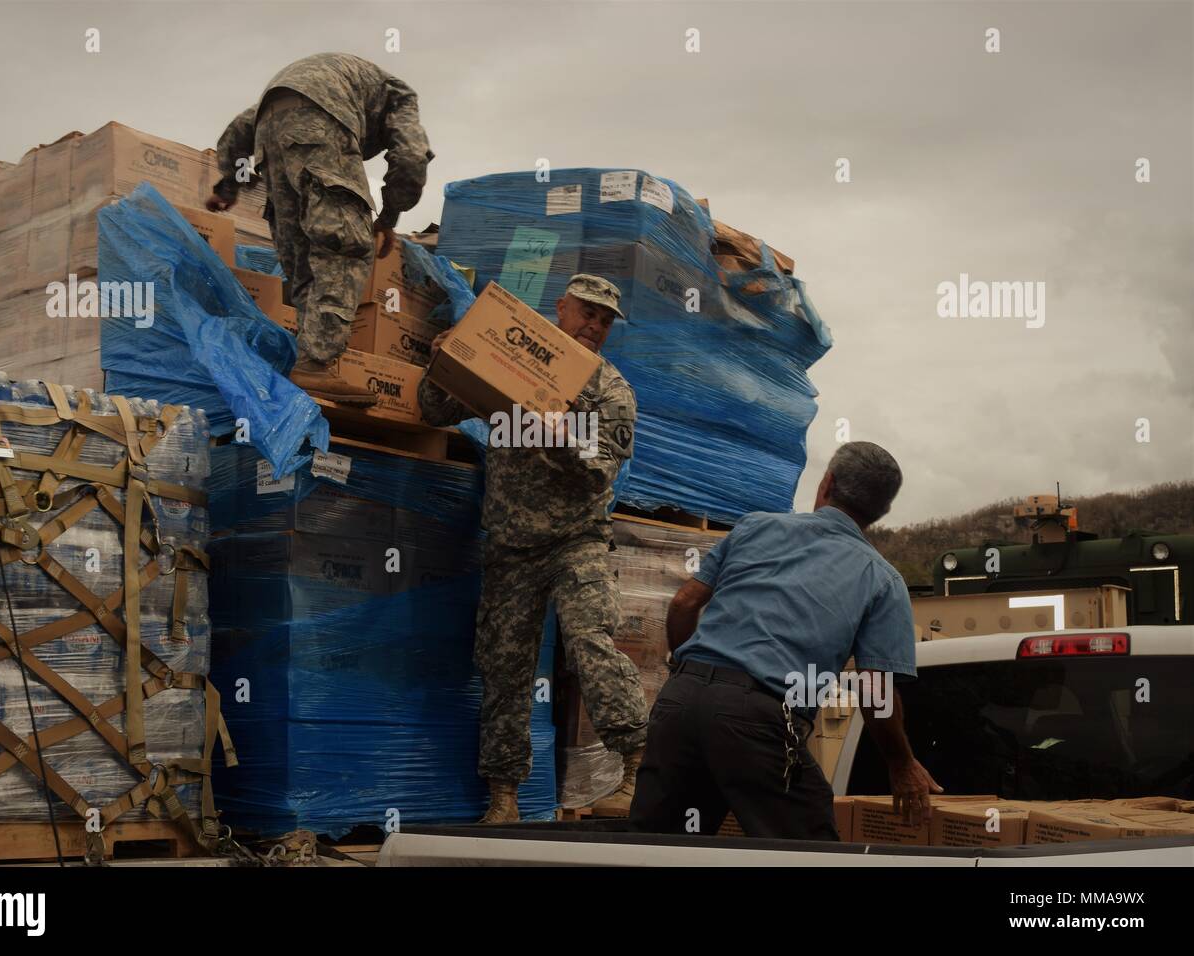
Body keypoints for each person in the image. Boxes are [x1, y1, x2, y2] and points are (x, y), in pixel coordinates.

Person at [418, 275, 648, 822]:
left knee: (590, 640)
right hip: (511, 546)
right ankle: (504, 798)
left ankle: (637, 766)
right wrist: (443, 357)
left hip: (577, 539)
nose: (594, 326)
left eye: (605, 320)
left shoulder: (610, 391)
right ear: (561, 308)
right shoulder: (511, 359)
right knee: (503, 670)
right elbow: (435, 411)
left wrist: (553, 428)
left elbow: (598, 472)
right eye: (587, 313)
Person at [629, 441, 941, 839]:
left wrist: (685, 677)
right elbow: (875, 687)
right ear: (881, 512)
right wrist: (901, 763)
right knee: (810, 853)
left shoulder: (755, 526)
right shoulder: (882, 579)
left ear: (826, 483)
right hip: (756, 719)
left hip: (678, 705)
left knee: (656, 848)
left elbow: (684, 604)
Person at [207, 53, 434, 406]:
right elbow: (411, 158)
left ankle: (308, 363)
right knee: (344, 247)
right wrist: (388, 217)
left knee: (303, 260)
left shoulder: (314, 79)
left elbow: (239, 129)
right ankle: (315, 365)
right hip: (322, 131)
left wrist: (229, 184)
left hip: (270, 138)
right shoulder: (399, 96)